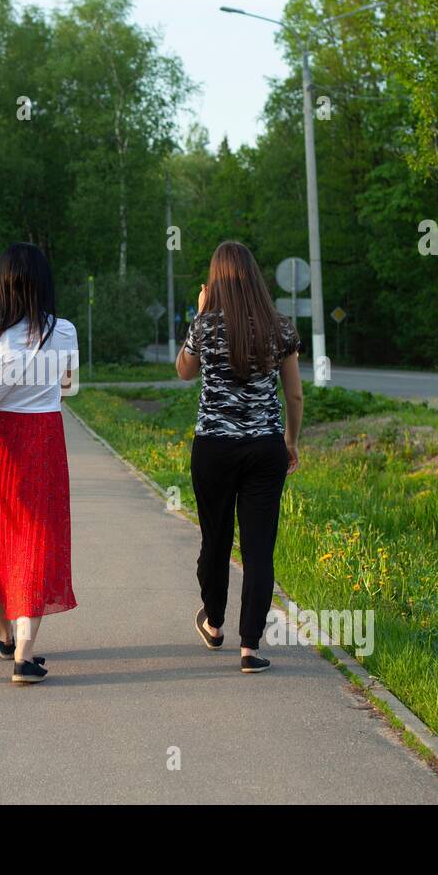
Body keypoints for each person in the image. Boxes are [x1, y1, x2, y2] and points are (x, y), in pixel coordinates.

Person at [0, 243, 79, 684]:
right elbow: (67, 386)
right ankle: (22, 648)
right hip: (44, 438)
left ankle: (5, 630)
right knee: (39, 538)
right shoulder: (65, 331)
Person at [175, 241, 303, 674]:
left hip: (213, 447)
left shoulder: (206, 325)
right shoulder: (279, 327)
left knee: (215, 539)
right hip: (265, 448)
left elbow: (184, 371)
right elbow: (295, 393)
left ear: (214, 280)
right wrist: (291, 439)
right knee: (258, 548)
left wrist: (200, 313)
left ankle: (214, 623)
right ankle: (251, 648)